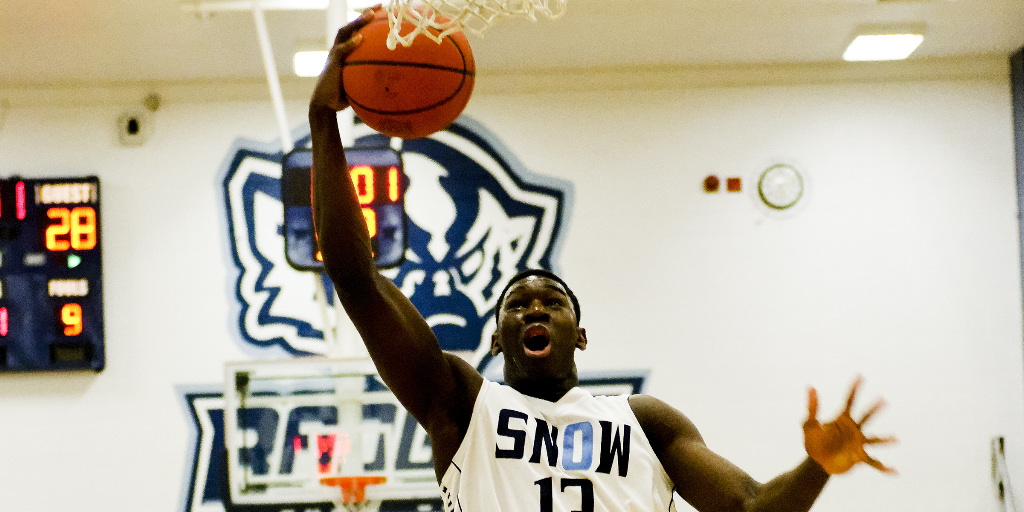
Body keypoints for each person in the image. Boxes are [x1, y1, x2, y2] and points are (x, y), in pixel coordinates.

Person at [309, 7, 896, 512]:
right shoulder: (461, 403)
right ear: (496, 337)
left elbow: (749, 505)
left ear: (581, 336)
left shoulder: (646, 422)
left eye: (553, 302)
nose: (534, 307)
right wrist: (322, 121)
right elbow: (354, 274)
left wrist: (817, 466)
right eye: (517, 303)